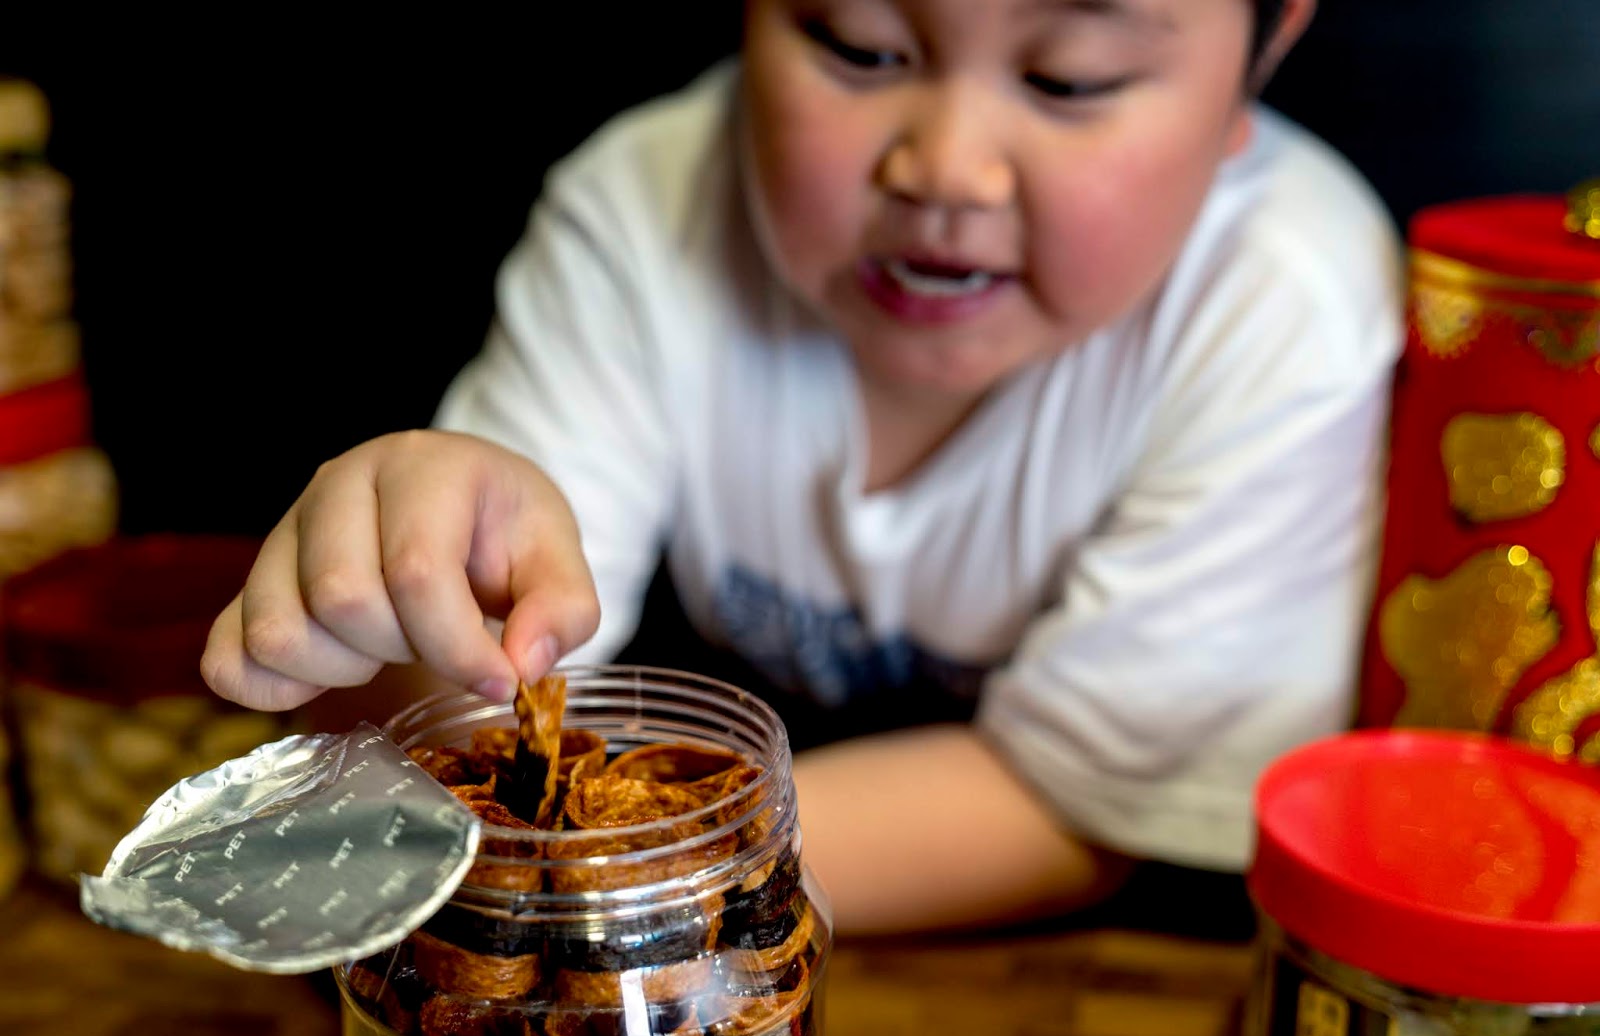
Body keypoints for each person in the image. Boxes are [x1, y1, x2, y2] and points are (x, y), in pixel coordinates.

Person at [201, 0, 1403, 937]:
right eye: (859, 46)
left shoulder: (1280, 302)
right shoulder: (646, 211)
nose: (943, 168)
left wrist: (619, 881)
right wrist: (409, 583)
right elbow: (487, 699)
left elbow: (1076, 805)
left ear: (1257, 55)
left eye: (1067, 78)